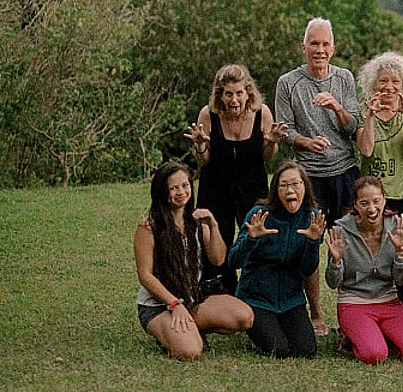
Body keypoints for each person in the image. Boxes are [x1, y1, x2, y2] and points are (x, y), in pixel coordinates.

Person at [274, 16, 361, 335]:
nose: (320, 50)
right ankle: (316, 313)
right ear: (304, 47)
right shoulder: (288, 82)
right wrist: (305, 142)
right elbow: (283, 129)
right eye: (314, 44)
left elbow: (353, 126)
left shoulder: (344, 78)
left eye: (325, 44)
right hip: (307, 178)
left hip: (344, 173)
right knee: (309, 245)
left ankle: (352, 313)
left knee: (348, 244)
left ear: (333, 48)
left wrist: (337, 108)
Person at [133, 162, 253, 361]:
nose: (181, 192)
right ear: (162, 192)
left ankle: (188, 329)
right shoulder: (149, 226)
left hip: (192, 298)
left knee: (244, 317)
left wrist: (213, 225)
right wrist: (174, 304)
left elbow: (218, 258)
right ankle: (176, 334)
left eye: (185, 185)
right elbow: (145, 275)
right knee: (190, 352)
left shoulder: (196, 220)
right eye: (174, 188)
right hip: (159, 305)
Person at [184, 63, 285, 295]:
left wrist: (271, 141)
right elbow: (203, 161)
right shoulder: (208, 115)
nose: (234, 99)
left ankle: (258, 289)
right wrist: (200, 145)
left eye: (239, 93)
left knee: (258, 236)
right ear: (220, 95)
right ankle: (220, 290)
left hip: (252, 185)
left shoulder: (262, 113)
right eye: (228, 94)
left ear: (248, 92)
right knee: (216, 239)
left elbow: (267, 158)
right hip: (215, 187)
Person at [324, 175, 403, 365]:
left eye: (376, 201)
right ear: (356, 205)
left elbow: (400, 281)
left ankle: (374, 334)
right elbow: (333, 283)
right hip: (353, 303)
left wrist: (400, 253)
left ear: (384, 200)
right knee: (374, 355)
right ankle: (351, 336)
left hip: (388, 301)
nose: (372, 209)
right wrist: (336, 260)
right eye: (364, 203)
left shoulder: (396, 227)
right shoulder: (342, 230)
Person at [227, 161, 327, 359]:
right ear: (276, 190)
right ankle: (261, 327)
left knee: (307, 351)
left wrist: (312, 242)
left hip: (291, 299)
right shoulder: (260, 214)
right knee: (279, 350)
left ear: (305, 188)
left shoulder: (312, 217)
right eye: (284, 185)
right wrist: (251, 239)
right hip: (256, 297)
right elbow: (233, 261)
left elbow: (308, 268)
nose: (290, 190)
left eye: (295, 184)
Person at [355, 50, 403, 303]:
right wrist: (371, 115)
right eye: (383, 81)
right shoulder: (364, 108)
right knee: (371, 255)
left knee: (399, 255)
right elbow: (366, 149)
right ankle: (370, 306)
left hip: (401, 194)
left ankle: (399, 308)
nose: (389, 87)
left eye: (395, 81)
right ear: (373, 84)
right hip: (371, 198)